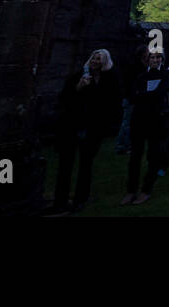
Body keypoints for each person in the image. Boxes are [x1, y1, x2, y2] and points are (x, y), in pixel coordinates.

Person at [50, 49, 120, 214]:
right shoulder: (79, 75)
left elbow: (112, 102)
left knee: (85, 165)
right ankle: (60, 200)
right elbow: (64, 98)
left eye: (99, 59)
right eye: (94, 59)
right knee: (65, 164)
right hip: (72, 125)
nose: (95, 62)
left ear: (105, 63)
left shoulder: (109, 79)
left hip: (93, 128)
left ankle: (80, 199)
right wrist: (78, 87)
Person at [123, 49, 169, 204]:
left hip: (156, 119)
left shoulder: (166, 75)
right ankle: (131, 190)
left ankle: (146, 189)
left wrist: (144, 95)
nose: (155, 60)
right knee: (135, 156)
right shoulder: (141, 76)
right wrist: (147, 95)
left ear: (162, 60)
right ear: (147, 59)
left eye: (158, 57)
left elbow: (160, 94)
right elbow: (133, 96)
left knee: (153, 156)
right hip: (139, 119)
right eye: (152, 57)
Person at [116, 45, 150, 154]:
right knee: (127, 123)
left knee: (132, 124)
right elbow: (129, 83)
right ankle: (122, 146)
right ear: (143, 54)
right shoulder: (134, 66)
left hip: (138, 99)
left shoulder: (145, 66)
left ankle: (127, 145)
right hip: (131, 99)